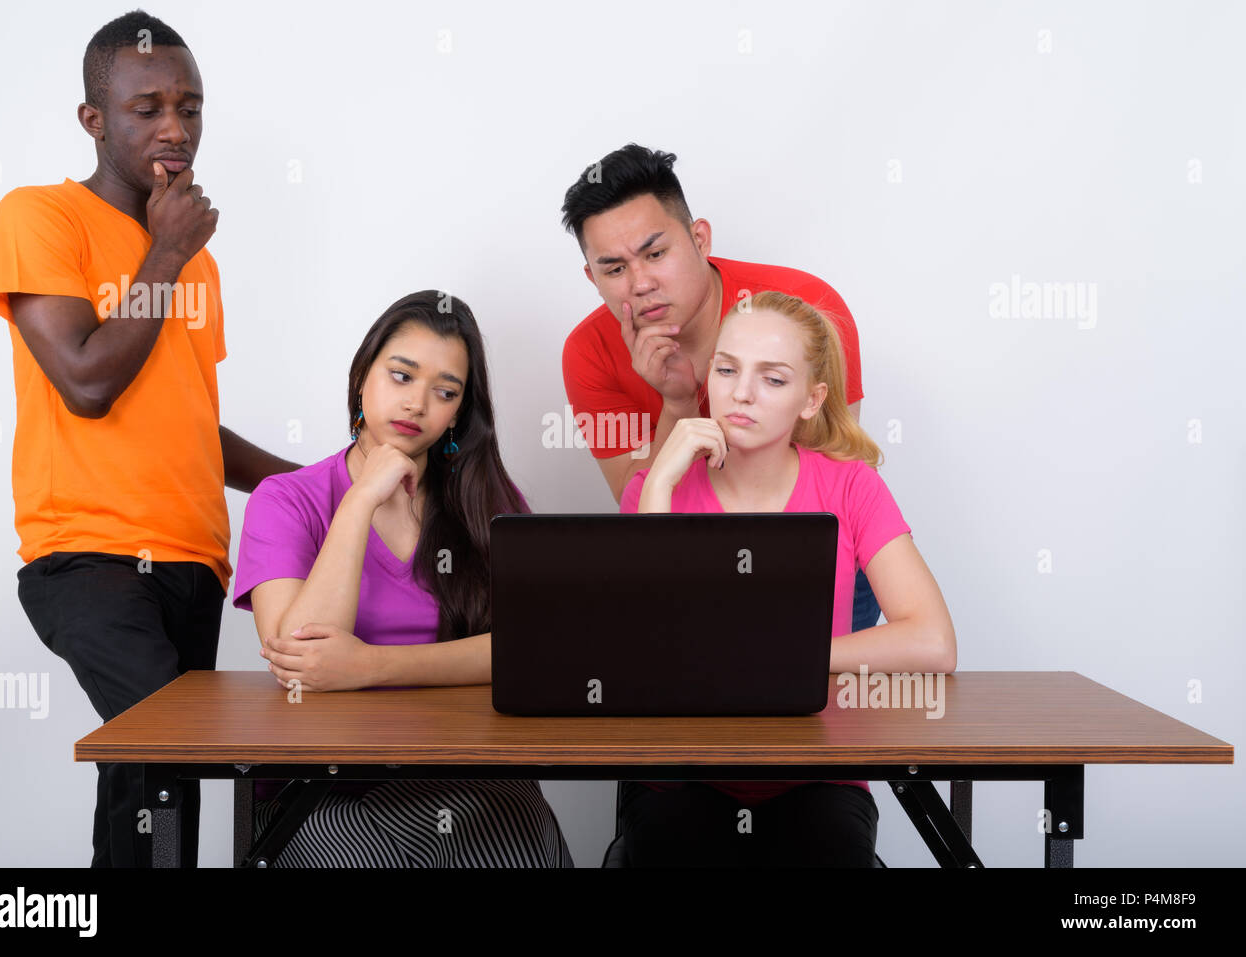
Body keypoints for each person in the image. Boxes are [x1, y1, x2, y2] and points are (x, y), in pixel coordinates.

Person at [0, 10, 299, 867]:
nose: (176, 129)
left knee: (154, 791)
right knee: (173, 749)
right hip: (87, 559)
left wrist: (317, 479)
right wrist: (162, 254)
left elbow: (190, 418)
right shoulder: (40, 216)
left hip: (194, 562)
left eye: (191, 107)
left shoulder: (195, 262)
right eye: (148, 107)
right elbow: (88, 380)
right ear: (94, 120)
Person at [616, 290, 957, 867]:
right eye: (726, 370)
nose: (741, 393)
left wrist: (783, 660)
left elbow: (932, 641)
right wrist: (656, 488)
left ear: (811, 399)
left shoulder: (851, 487)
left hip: (818, 776)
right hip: (682, 777)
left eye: (772, 380)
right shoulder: (655, 490)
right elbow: (638, 657)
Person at [233, 291, 573, 867]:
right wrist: (360, 499)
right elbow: (301, 660)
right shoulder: (285, 500)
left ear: (459, 415)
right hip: (323, 792)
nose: (417, 404)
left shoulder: (487, 502)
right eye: (401, 376)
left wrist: (371, 666)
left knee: (517, 833)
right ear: (364, 375)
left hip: (467, 772)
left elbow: (531, 648)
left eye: (445, 392)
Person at [560, 143, 881, 631]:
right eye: (615, 269)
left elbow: (837, 473)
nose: (641, 283)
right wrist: (678, 403)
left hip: (817, 556)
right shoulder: (589, 352)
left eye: (656, 253)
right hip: (685, 562)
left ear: (700, 238)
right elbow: (637, 503)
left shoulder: (805, 305)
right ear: (592, 277)